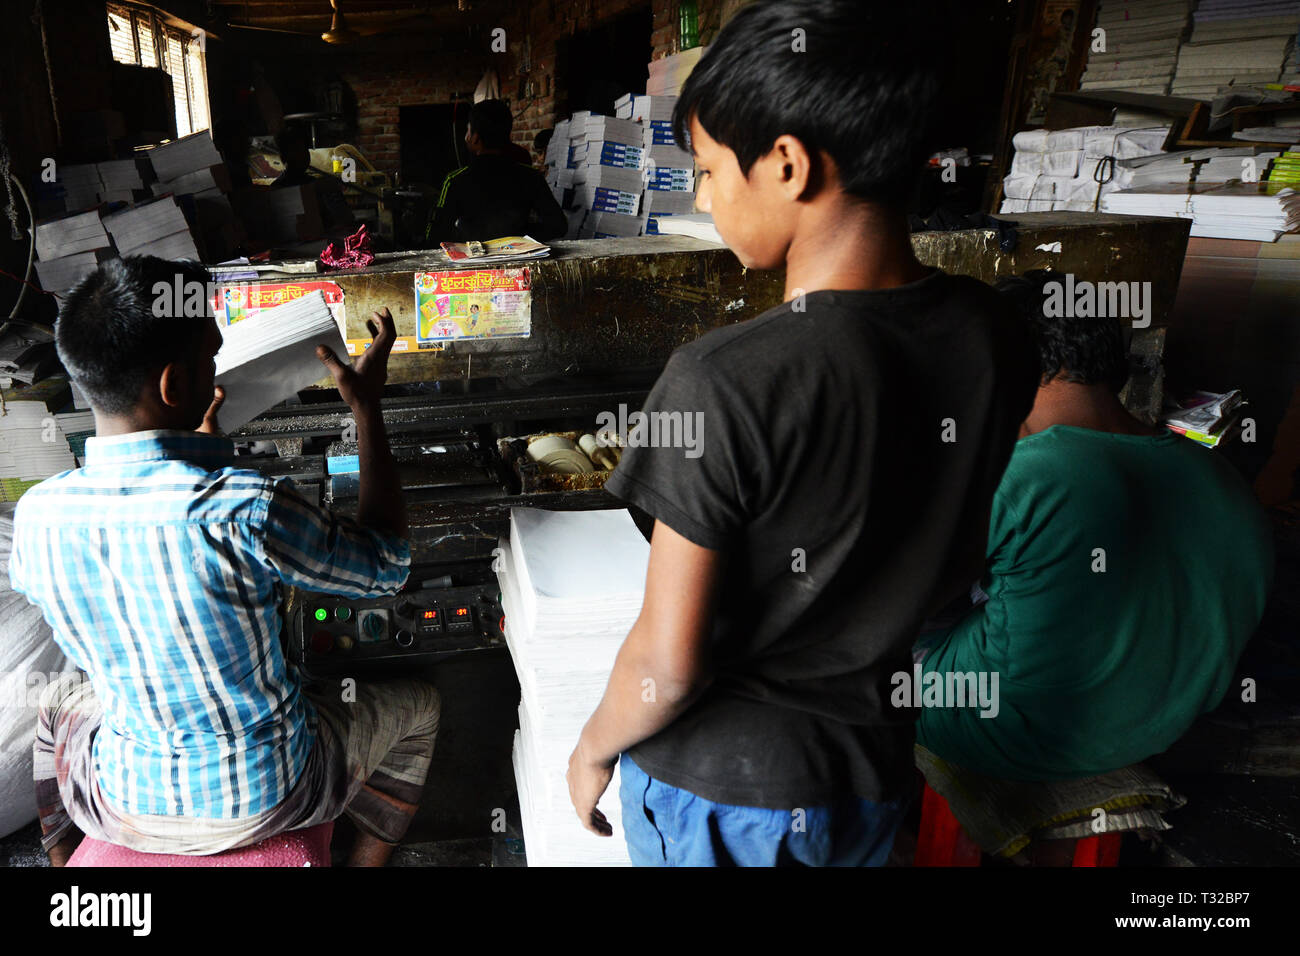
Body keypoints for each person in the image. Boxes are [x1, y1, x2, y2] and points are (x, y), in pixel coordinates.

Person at [566, 0, 1040, 867]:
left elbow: (669, 663)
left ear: (787, 164)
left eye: (708, 170)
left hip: (721, 792)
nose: (704, 197)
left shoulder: (725, 377)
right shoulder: (992, 333)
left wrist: (593, 744)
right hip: (870, 772)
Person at [10, 256, 439, 867]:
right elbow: (388, 563)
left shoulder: (37, 516)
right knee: (422, 707)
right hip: (268, 796)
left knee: (54, 703)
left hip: (122, 800)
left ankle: (60, 863)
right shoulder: (245, 508)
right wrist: (367, 409)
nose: (219, 370)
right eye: (213, 358)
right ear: (175, 387)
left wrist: (194, 466)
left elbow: (138, 580)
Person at [915, 272, 1275, 780]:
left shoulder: (1023, 477)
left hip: (1008, 734)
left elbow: (889, 604)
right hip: (1157, 730)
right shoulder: (1220, 475)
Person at [426, 99, 567, 244]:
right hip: (518, 260)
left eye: (468, 130)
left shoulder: (455, 181)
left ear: (474, 138)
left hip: (472, 263)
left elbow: (435, 235)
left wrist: (466, 239)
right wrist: (518, 237)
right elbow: (558, 226)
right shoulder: (531, 176)